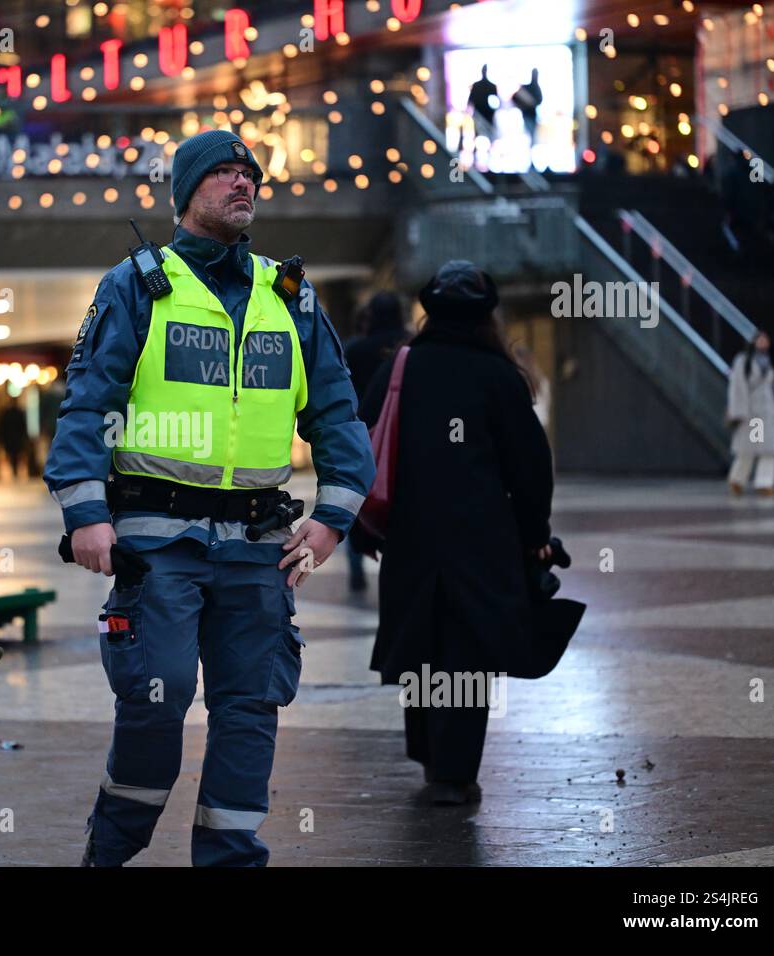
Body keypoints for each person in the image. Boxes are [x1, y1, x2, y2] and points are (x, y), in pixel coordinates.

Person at [44, 130, 375, 867]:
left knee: (251, 707)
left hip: (259, 547)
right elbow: (88, 403)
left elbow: (335, 413)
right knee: (156, 700)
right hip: (157, 543)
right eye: (223, 173)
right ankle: (113, 849)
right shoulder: (137, 284)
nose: (241, 185)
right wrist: (86, 514)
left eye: (249, 174)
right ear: (187, 191)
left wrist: (330, 523)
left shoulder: (286, 293)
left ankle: (229, 856)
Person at [359, 261, 554, 806]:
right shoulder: (498, 376)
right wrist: (534, 530)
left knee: (421, 644)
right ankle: (453, 771)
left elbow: (361, 443)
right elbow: (531, 466)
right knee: (468, 652)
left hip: (410, 536)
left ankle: (428, 756)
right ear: (486, 315)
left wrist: (362, 525)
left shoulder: (402, 366)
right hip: (480, 539)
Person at [343, 291, 408, 591]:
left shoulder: (355, 349)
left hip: (361, 436)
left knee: (355, 502)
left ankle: (356, 567)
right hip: (400, 438)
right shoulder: (410, 346)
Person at [726, 331, 774, 496]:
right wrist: (738, 410)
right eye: (761, 339)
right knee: (749, 447)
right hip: (752, 411)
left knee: (769, 449)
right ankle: (737, 479)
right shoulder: (744, 360)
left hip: (768, 410)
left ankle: (764, 482)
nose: (764, 343)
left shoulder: (771, 361)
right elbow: (737, 386)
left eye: (766, 340)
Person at [0, 400, 28, 477]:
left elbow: (2, 427)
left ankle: (14, 470)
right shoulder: (19, 413)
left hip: (10, 438)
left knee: (12, 455)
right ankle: (15, 470)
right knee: (15, 455)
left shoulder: (6, 413)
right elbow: (23, 427)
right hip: (16, 438)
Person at [467, 65, 499, 132]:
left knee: (487, 132)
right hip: (480, 114)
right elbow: (470, 100)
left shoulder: (489, 86)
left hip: (486, 114)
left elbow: (496, 102)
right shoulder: (489, 86)